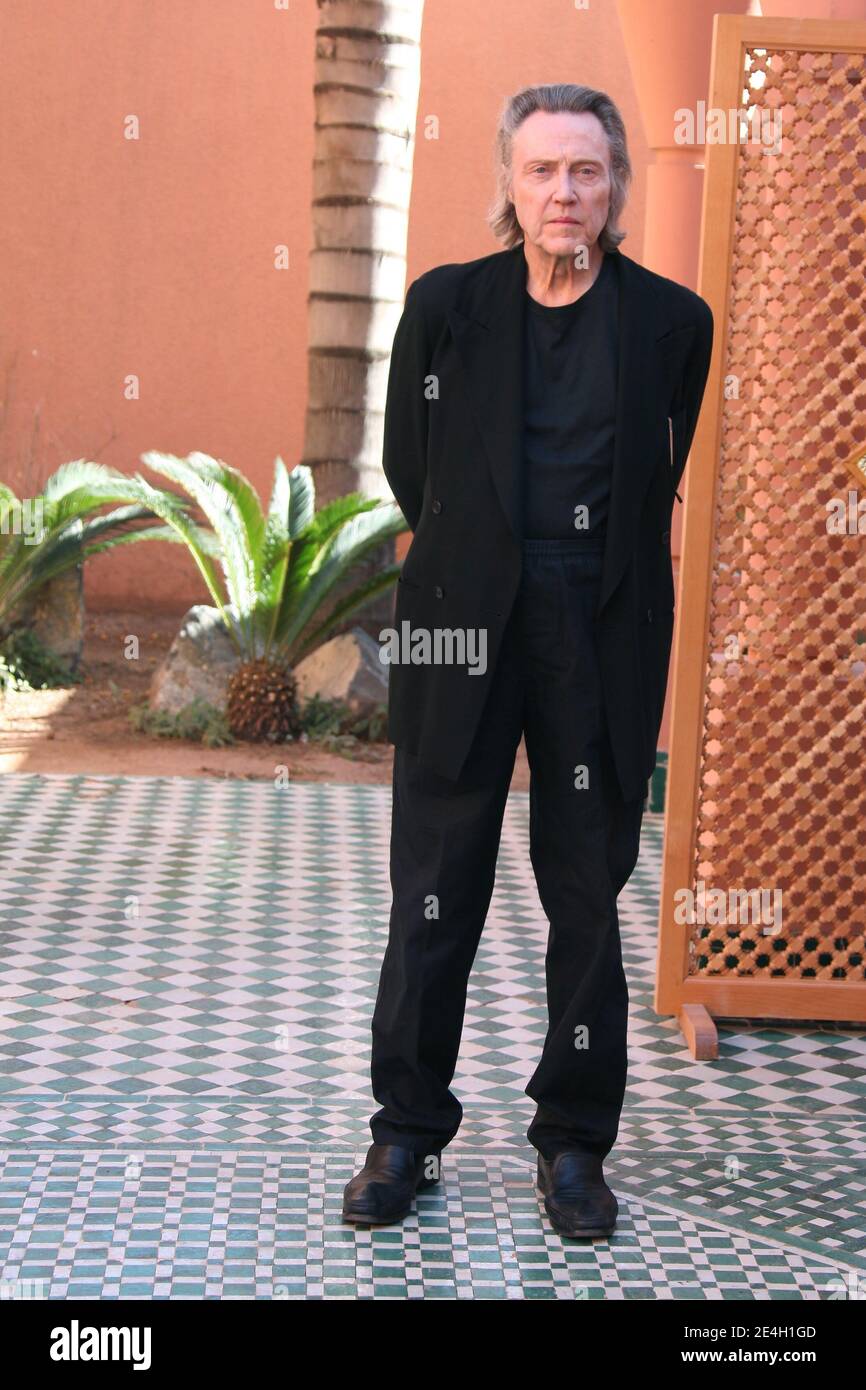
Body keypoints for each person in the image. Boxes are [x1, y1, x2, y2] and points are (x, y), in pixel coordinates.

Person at [342, 82, 714, 1238]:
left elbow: (661, 466)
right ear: (507, 182)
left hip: (596, 625)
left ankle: (572, 1143)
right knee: (434, 888)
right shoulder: (445, 309)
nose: (564, 192)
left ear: (614, 189)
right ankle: (405, 1130)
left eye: (586, 172)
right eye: (543, 170)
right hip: (461, 620)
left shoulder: (670, 322)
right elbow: (413, 467)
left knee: (586, 893)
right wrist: (481, 555)